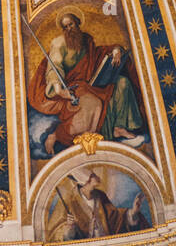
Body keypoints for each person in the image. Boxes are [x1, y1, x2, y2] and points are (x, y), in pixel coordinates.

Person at [28, 12, 146, 155]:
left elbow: (99, 53)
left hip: (90, 82)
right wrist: (60, 90)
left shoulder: (86, 41)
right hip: (72, 87)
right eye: (65, 27)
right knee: (93, 104)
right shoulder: (59, 44)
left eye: (71, 24)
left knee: (123, 82)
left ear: (78, 23)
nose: (69, 29)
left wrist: (116, 51)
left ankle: (119, 127)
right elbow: (54, 68)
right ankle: (56, 136)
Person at [45, 168, 148, 241]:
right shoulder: (68, 201)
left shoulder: (99, 195)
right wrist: (69, 228)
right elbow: (55, 233)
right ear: (86, 180)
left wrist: (133, 212)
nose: (97, 177)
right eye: (93, 175)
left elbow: (115, 218)